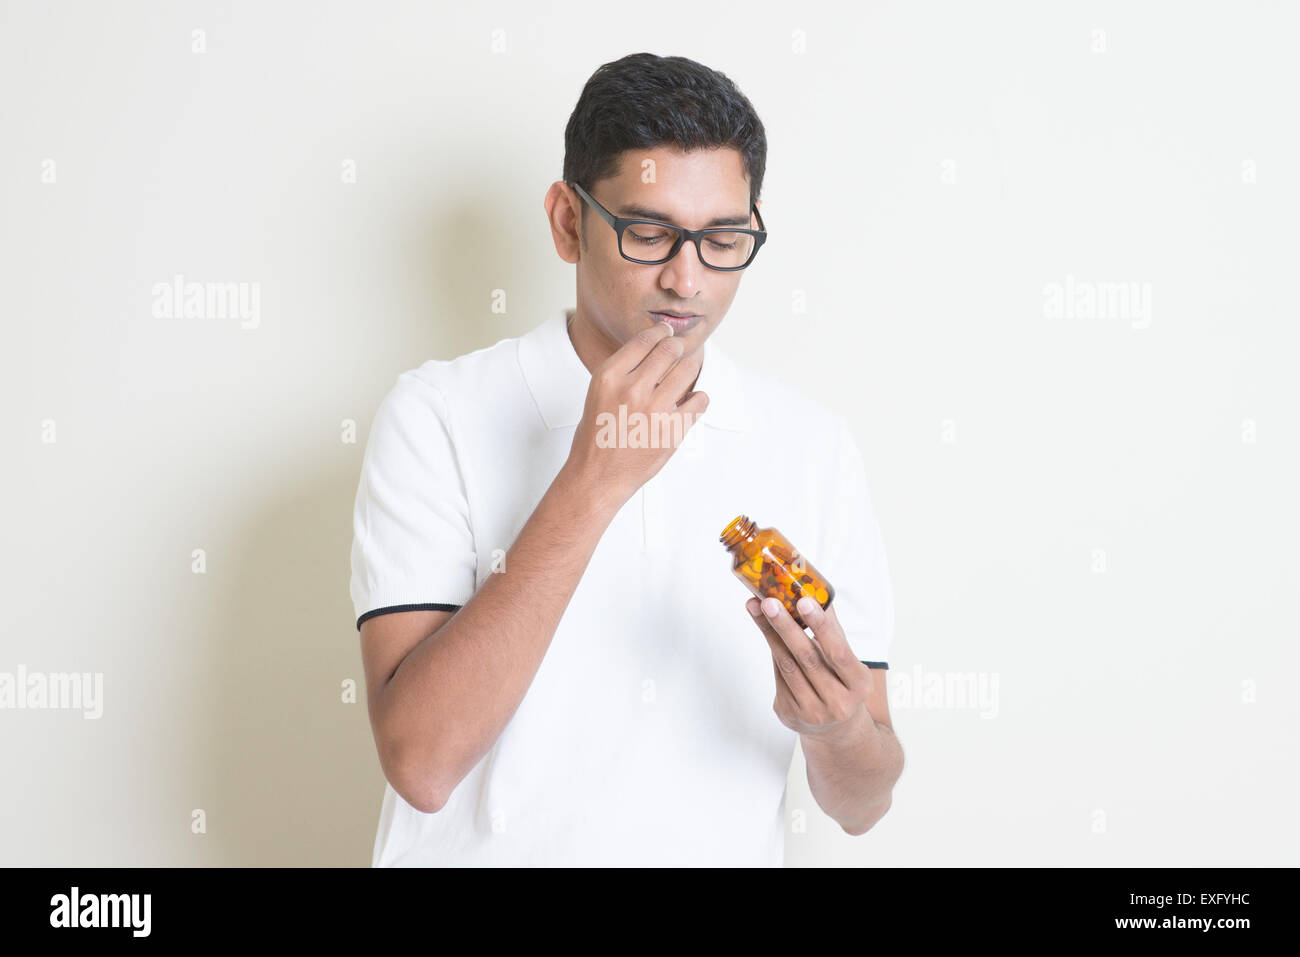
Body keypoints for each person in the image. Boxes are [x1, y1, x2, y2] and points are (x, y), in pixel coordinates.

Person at [349, 52, 903, 867]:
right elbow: (421, 762)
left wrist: (839, 728)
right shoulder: (436, 415)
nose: (687, 279)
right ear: (569, 223)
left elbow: (864, 800)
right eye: (648, 233)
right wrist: (592, 480)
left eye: (723, 238)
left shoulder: (813, 445)